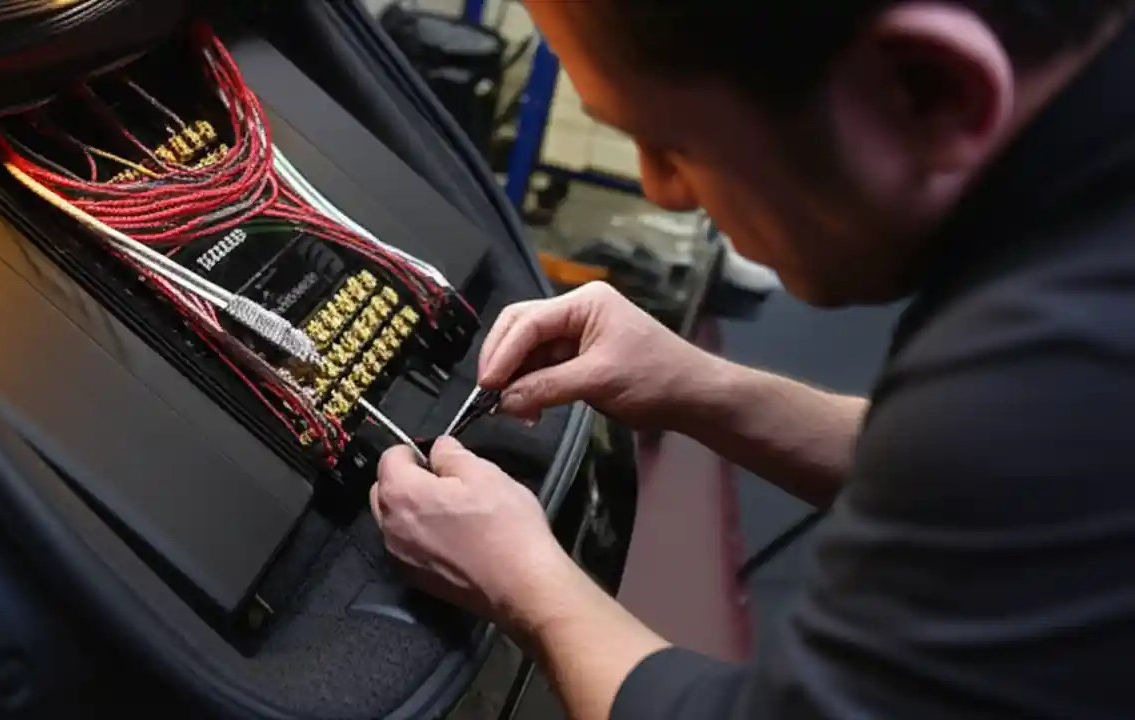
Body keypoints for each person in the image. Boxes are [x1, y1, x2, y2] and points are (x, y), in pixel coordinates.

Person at [370, 1, 1135, 717]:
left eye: (674, 145)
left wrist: (527, 585)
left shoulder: (1069, 363)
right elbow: (988, 468)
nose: (661, 192)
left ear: (929, 91)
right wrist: (696, 384)